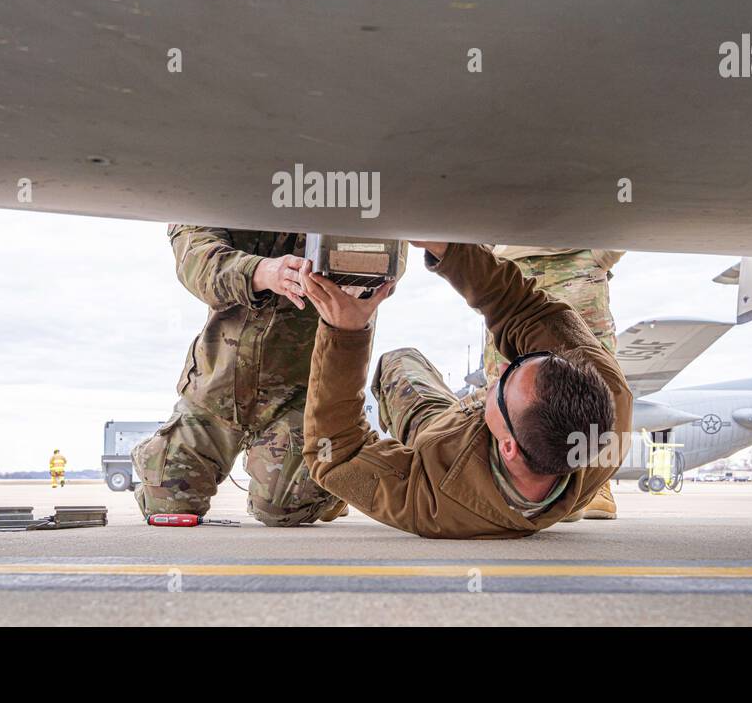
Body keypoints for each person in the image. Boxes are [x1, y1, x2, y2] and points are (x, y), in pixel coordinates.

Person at [299, 241, 632, 539]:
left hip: (438, 446)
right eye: (524, 362)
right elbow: (523, 309)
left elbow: (336, 455)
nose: (502, 367)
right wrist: (450, 250)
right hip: (493, 431)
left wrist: (345, 330)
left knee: (397, 362)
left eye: (505, 384)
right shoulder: (607, 396)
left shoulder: (433, 503)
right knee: (405, 359)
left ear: (508, 447)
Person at [132, 227, 358, 526]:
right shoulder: (228, 192)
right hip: (215, 392)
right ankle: (163, 448)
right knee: (167, 500)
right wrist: (265, 271)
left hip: (295, 397)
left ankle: (331, 487)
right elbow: (196, 260)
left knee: (282, 509)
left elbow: (386, 259)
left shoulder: (343, 196)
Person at [482, 247, 624, 520]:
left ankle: (593, 486)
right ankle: (527, 485)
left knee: (587, 383)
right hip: (518, 260)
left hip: (571, 257)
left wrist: (601, 253)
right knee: (510, 389)